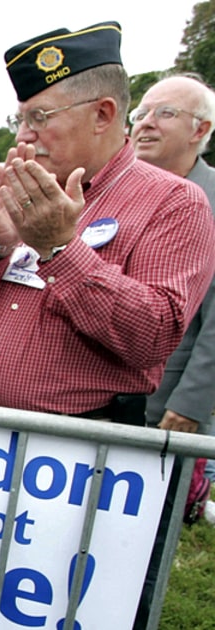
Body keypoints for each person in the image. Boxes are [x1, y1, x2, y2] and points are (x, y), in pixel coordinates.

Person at [0, 20, 214, 421]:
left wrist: (59, 248)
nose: (23, 136)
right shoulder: (13, 187)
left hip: (81, 442)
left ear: (102, 114)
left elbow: (154, 338)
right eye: (20, 119)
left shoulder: (174, 201)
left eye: (40, 117)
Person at [129, 72, 215, 629]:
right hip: (107, 397)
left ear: (200, 130)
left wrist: (190, 404)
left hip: (169, 405)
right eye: (141, 112)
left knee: (145, 547)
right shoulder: (126, 190)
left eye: (164, 113)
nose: (144, 123)